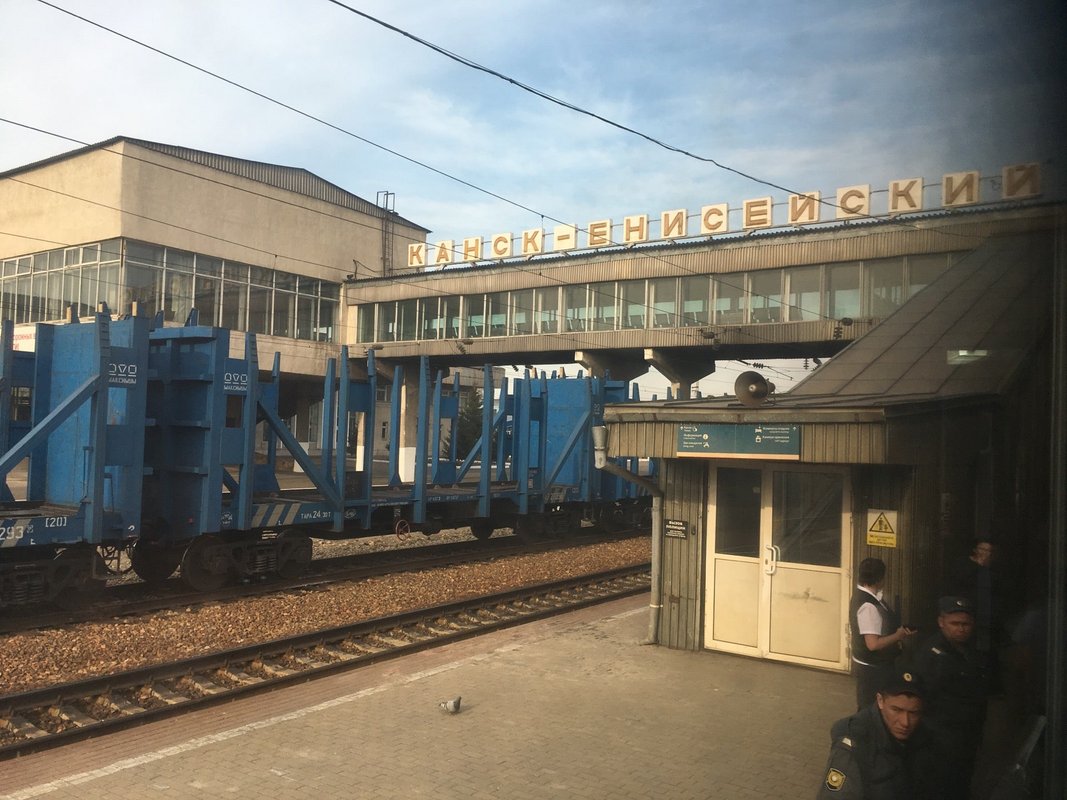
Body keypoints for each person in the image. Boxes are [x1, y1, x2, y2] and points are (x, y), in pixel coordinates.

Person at [816, 670, 947, 799]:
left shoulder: (926, 738)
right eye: (896, 710)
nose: (905, 722)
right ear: (880, 701)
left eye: (913, 713)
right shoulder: (855, 743)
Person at [912, 596, 990, 800]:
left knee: (962, 783)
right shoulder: (934, 654)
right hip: (941, 737)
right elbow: (925, 695)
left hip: (966, 735)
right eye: (955, 623)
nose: (961, 629)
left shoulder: (970, 650)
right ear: (941, 622)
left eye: (966, 624)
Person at [851, 557, 916, 710]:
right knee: (871, 708)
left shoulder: (863, 596)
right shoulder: (868, 606)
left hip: (868, 665)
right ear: (880, 579)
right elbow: (873, 644)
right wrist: (898, 636)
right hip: (873, 669)